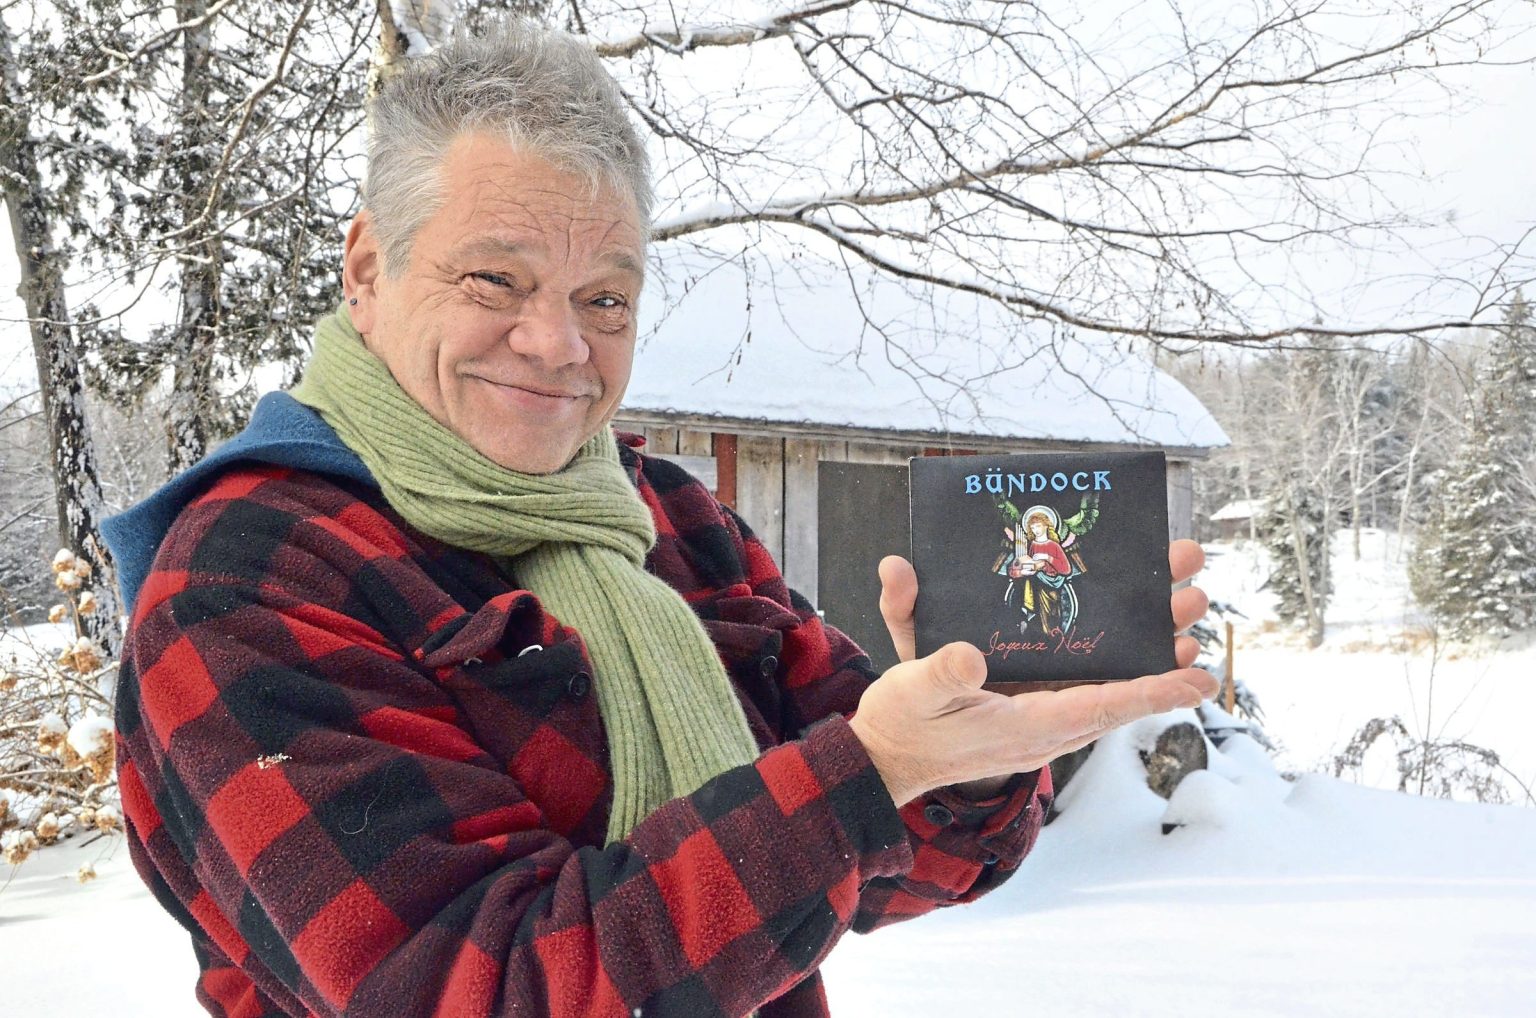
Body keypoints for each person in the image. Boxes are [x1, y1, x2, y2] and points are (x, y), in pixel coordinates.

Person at [102, 21, 1216, 1018]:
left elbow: (898, 856)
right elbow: (474, 991)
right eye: (496, 278)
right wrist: (865, 776)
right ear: (367, 269)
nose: (559, 344)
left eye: (606, 299)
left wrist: (975, 741)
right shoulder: (249, 582)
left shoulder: (665, 519)